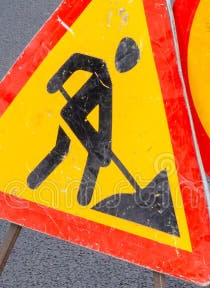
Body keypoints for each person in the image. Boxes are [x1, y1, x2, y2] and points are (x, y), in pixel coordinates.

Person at [27, 37, 140, 206]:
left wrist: (102, 144)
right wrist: (57, 79)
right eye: (124, 61)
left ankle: (83, 197)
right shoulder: (101, 65)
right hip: (80, 103)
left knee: (97, 149)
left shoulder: (116, 84)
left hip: (100, 99)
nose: (123, 67)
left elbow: (107, 115)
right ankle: (37, 178)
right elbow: (75, 60)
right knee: (67, 129)